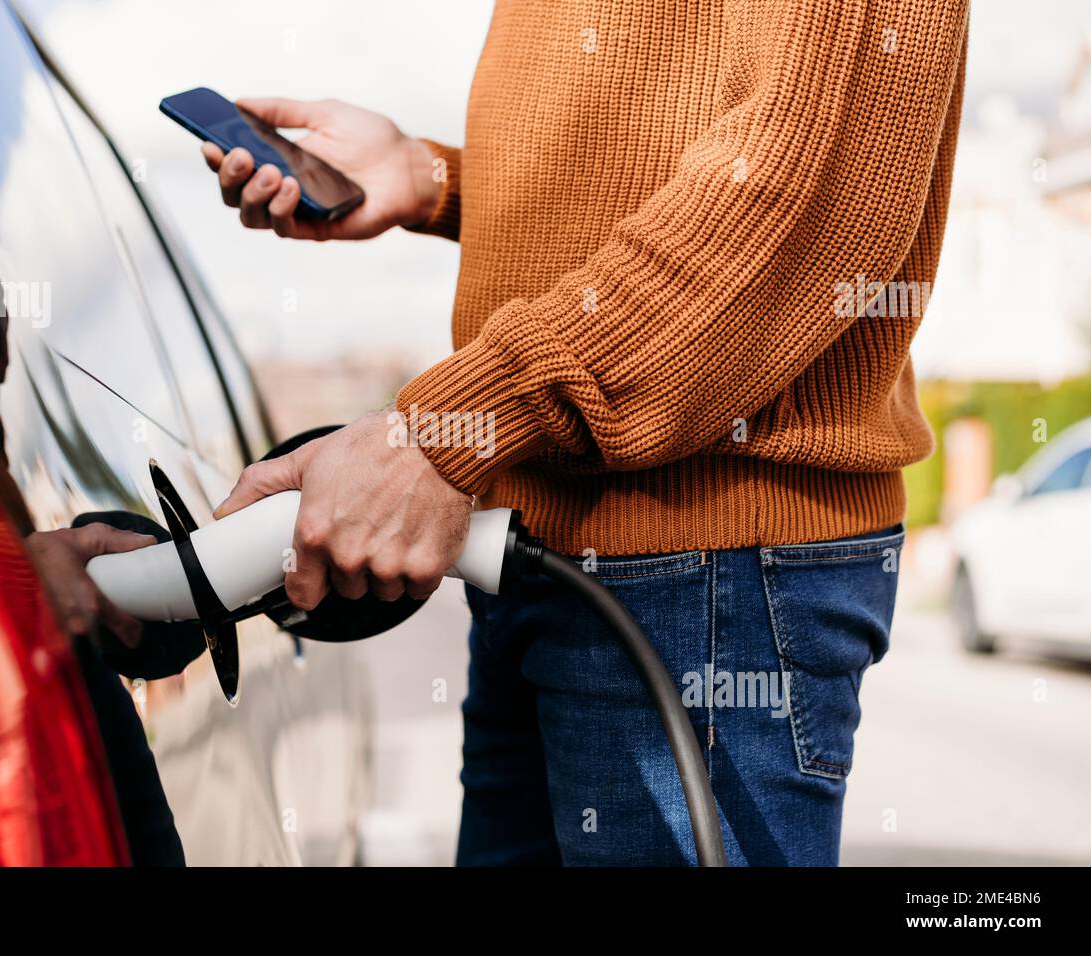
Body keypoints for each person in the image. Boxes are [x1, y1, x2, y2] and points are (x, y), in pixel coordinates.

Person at [201, 0, 970, 865]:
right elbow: (642, 151)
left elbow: (801, 196)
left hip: (706, 572)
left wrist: (454, 427)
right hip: (546, 548)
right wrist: (434, 179)